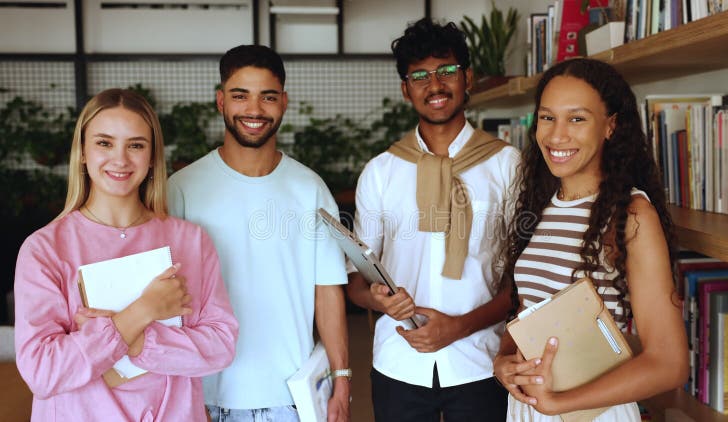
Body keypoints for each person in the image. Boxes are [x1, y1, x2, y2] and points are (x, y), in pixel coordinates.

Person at [13, 88, 239, 421]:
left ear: (151, 157)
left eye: (135, 145)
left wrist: (137, 341)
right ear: (83, 153)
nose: (120, 159)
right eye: (104, 143)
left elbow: (220, 347)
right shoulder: (45, 249)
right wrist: (141, 313)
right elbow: (43, 373)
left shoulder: (190, 240)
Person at [492, 58, 689, 421]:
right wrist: (504, 363)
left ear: (611, 126)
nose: (556, 135)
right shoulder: (537, 204)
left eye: (577, 119)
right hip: (529, 410)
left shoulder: (629, 214)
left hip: (593, 413)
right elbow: (527, 312)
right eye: (548, 117)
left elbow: (670, 363)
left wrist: (560, 404)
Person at [345, 18, 520, 421]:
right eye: (419, 75)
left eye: (446, 70)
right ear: (406, 90)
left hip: (483, 362)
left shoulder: (508, 165)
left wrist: (459, 327)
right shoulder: (381, 171)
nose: (434, 85)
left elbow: (523, 283)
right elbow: (357, 282)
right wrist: (373, 297)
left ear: (468, 77)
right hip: (398, 362)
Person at [168, 44, 350, 422]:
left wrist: (342, 378)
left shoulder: (310, 189)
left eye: (267, 97)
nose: (254, 110)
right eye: (240, 96)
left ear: (283, 102)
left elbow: (327, 290)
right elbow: (167, 300)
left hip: (291, 397)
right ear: (220, 101)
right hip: (205, 395)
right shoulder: (181, 189)